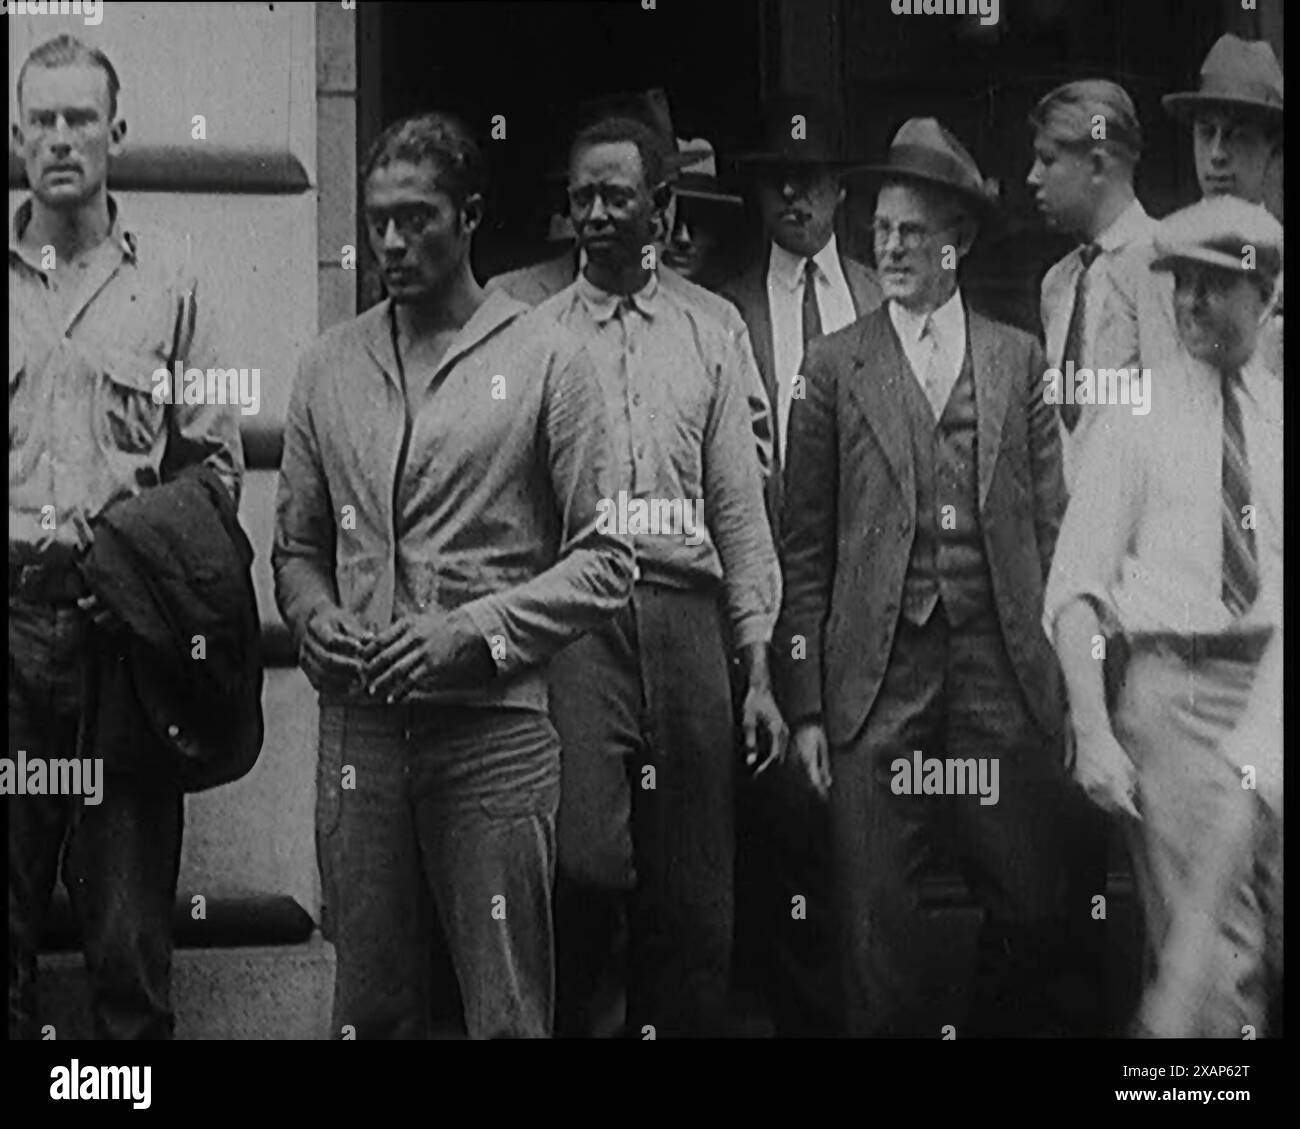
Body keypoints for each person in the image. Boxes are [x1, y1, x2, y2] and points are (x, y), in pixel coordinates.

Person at [272, 111, 635, 1039]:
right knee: (372, 1005)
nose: (391, 241)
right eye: (377, 219)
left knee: (506, 1008)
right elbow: (298, 548)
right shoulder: (328, 364)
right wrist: (313, 618)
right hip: (360, 733)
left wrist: (473, 630)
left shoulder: (550, 358)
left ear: (470, 215)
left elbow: (608, 560)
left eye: (418, 217)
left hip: (494, 734)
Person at [777, 118, 1078, 1037]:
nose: (893, 245)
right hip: (877, 676)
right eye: (882, 229)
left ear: (961, 239)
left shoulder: (1015, 356)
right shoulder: (832, 366)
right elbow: (806, 546)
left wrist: (1071, 684)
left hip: (1002, 665)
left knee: (1034, 905)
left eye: (914, 230)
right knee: (877, 922)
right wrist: (806, 707)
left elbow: (1057, 526)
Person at [8, 35, 243, 1039]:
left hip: (123, 651)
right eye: (42, 121)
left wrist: (138, 573)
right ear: (17, 137)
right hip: (8, 636)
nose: (61, 138)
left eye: (79, 118)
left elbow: (216, 472)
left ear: (117, 131)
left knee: (128, 943)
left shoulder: (173, 285)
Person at [535, 114, 785, 1038]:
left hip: (687, 617)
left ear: (661, 206)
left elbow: (739, 510)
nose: (597, 214)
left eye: (617, 197)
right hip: (576, 620)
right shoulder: (534, 338)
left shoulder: (713, 331)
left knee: (692, 898)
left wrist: (756, 670)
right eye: (582, 198)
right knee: (584, 863)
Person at [1044, 196, 1282, 1038]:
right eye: (1180, 284)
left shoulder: (1282, 420)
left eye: (1214, 287)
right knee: (1216, 967)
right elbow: (1076, 587)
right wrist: (1094, 726)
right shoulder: (1135, 418)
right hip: (1173, 700)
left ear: (1267, 296)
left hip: (1274, 699)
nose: (1190, 305)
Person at [721, 92, 883, 530]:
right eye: (776, 178)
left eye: (807, 176)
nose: (790, 192)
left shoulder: (881, 298)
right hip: (770, 537)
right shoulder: (726, 311)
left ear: (840, 187)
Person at [1099, 34, 1284, 383]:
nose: (1216, 154)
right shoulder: (1142, 261)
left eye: (1237, 136)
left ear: (1272, 150)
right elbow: (1112, 401)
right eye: (1206, 132)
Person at [1028, 79, 1158, 489]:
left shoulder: (1168, 267)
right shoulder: (1057, 284)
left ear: (1098, 166)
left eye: (1047, 160)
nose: (1032, 178)